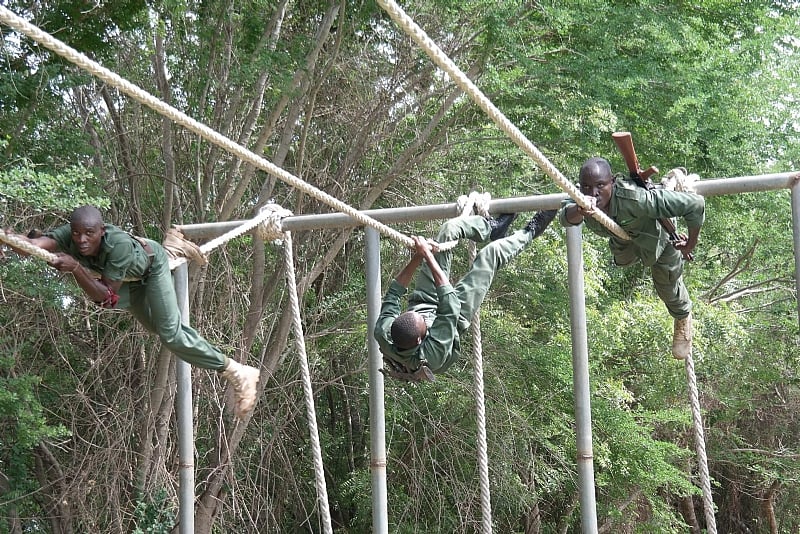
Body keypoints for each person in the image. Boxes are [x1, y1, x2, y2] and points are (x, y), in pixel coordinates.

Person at [4, 206, 259, 418]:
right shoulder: (69, 234)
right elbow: (34, 245)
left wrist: (76, 269)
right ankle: (173, 246)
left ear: (102, 231)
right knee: (157, 328)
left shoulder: (118, 246)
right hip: (129, 281)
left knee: (171, 334)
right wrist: (9, 239)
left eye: (89, 234)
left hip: (150, 270)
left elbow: (106, 295)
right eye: (77, 234)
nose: (81, 240)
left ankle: (237, 371)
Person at [374, 209, 557, 376]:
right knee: (490, 254)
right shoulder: (432, 354)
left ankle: (491, 228)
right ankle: (530, 231)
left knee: (448, 230)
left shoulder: (383, 332)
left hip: (423, 303)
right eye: (422, 322)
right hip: (454, 318)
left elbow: (395, 291)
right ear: (419, 340)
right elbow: (450, 306)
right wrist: (428, 257)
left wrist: (418, 256)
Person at [560, 157, 705, 359]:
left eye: (600, 185)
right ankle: (629, 251)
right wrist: (580, 210)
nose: (593, 192)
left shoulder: (636, 199)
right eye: (587, 186)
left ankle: (682, 317)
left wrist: (690, 244)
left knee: (666, 285)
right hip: (624, 239)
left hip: (659, 238)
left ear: (612, 182)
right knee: (623, 260)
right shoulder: (581, 198)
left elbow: (696, 204)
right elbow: (565, 217)